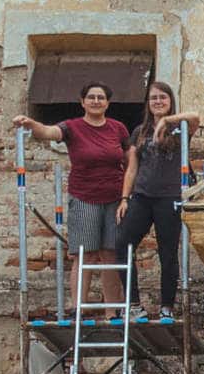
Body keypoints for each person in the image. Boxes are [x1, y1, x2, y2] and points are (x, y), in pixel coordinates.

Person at [13, 83, 130, 309]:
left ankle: (112, 312)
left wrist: (126, 195)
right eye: (91, 97)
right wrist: (30, 123)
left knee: (111, 255)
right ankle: (79, 310)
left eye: (101, 98)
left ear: (108, 103)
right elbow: (48, 132)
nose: (96, 101)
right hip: (84, 197)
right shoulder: (72, 127)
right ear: (82, 102)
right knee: (85, 255)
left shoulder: (118, 128)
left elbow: (129, 159)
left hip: (115, 199)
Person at [118, 80, 202, 321]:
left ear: (170, 101)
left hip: (170, 197)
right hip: (142, 196)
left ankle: (167, 306)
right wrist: (124, 198)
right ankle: (134, 304)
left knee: (168, 253)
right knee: (122, 243)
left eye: (162, 97)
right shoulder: (139, 132)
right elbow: (132, 168)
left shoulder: (180, 128)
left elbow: (196, 116)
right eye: (153, 98)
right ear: (148, 103)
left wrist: (166, 121)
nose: (158, 101)